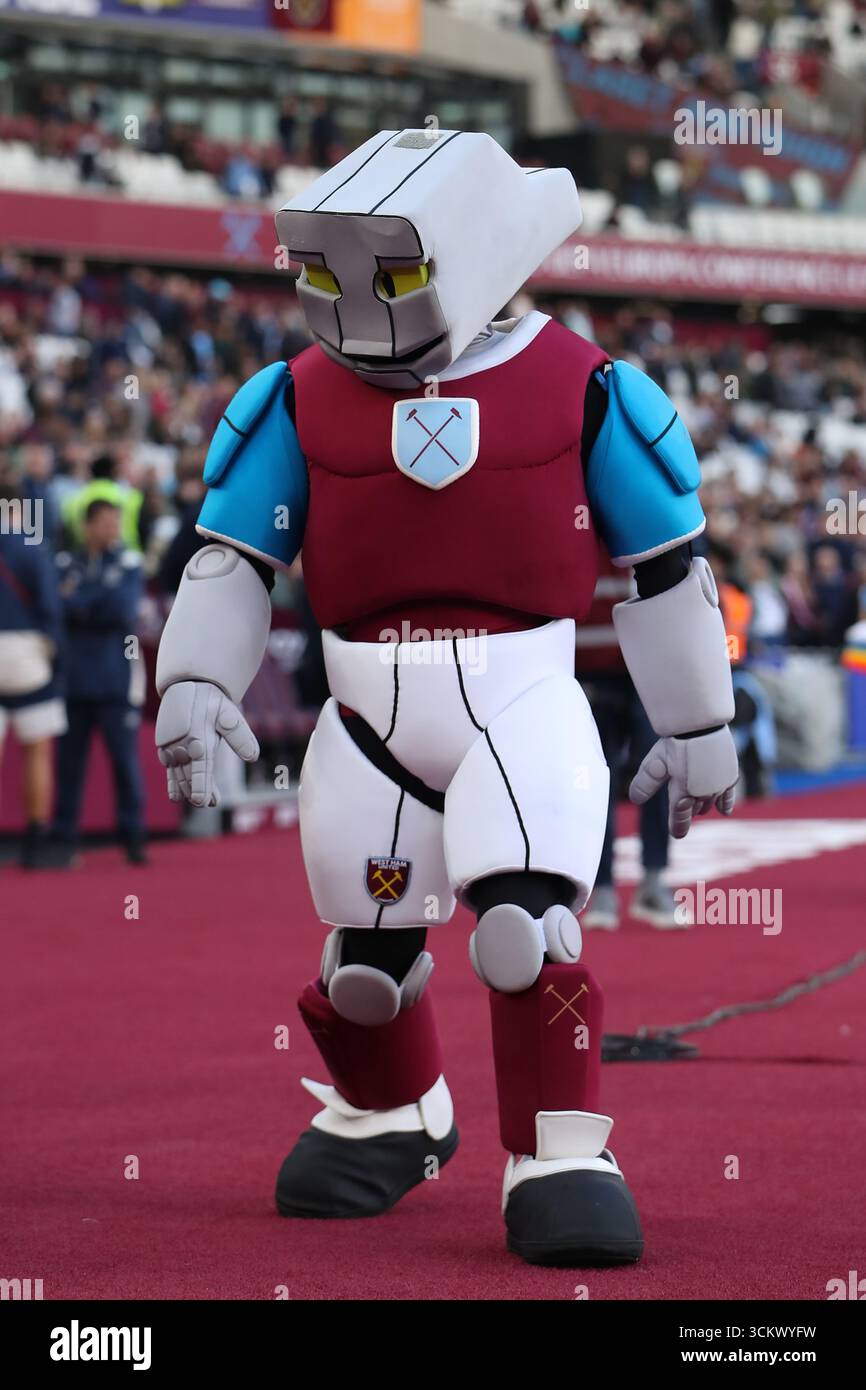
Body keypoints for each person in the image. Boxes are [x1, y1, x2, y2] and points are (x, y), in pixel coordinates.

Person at [153, 129, 738, 1267]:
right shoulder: (294, 396)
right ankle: (391, 1112)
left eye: (387, 269)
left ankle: (560, 1148)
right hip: (366, 710)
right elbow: (229, 560)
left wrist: (699, 721)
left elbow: (667, 566)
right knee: (365, 964)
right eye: (322, 273)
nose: (353, 300)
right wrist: (190, 676)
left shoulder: (584, 388)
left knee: (525, 930)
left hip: (519, 693)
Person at [577, 554, 677, 930]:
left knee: (655, 771)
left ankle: (653, 879)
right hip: (589, 668)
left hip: (646, 669)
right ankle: (600, 886)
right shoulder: (576, 514)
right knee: (595, 781)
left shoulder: (647, 509)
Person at [53, 499, 146, 865]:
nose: (113, 530)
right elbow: (57, 609)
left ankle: (133, 834)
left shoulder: (129, 562)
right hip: (73, 681)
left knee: (124, 762)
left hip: (114, 681)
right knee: (69, 766)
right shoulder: (65, 561)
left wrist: (79, 601)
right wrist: (92, 600)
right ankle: (63, 836)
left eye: (117, 523)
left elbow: (122, 609)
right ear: (88, 525)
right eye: (106, 523)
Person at [0, 477, 67, 868]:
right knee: (36, 752)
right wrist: (57, 659)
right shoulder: (30, 545)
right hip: (26, 656)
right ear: (18, 509)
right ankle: (35, 840)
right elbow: (50, 608)